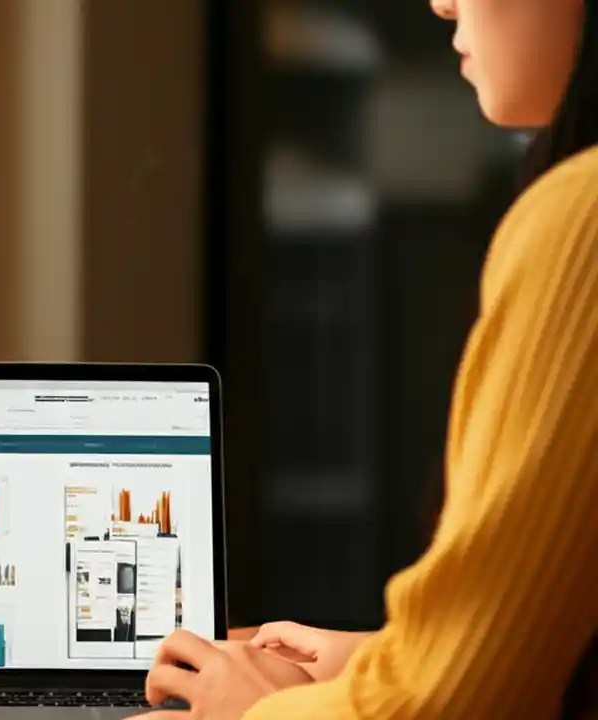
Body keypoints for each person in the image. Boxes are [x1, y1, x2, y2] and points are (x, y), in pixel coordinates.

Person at [139, 0, 598, 717]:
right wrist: (390, 661)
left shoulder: (584, 221)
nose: (441, 0)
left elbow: (449, 709)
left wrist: (250, 711)